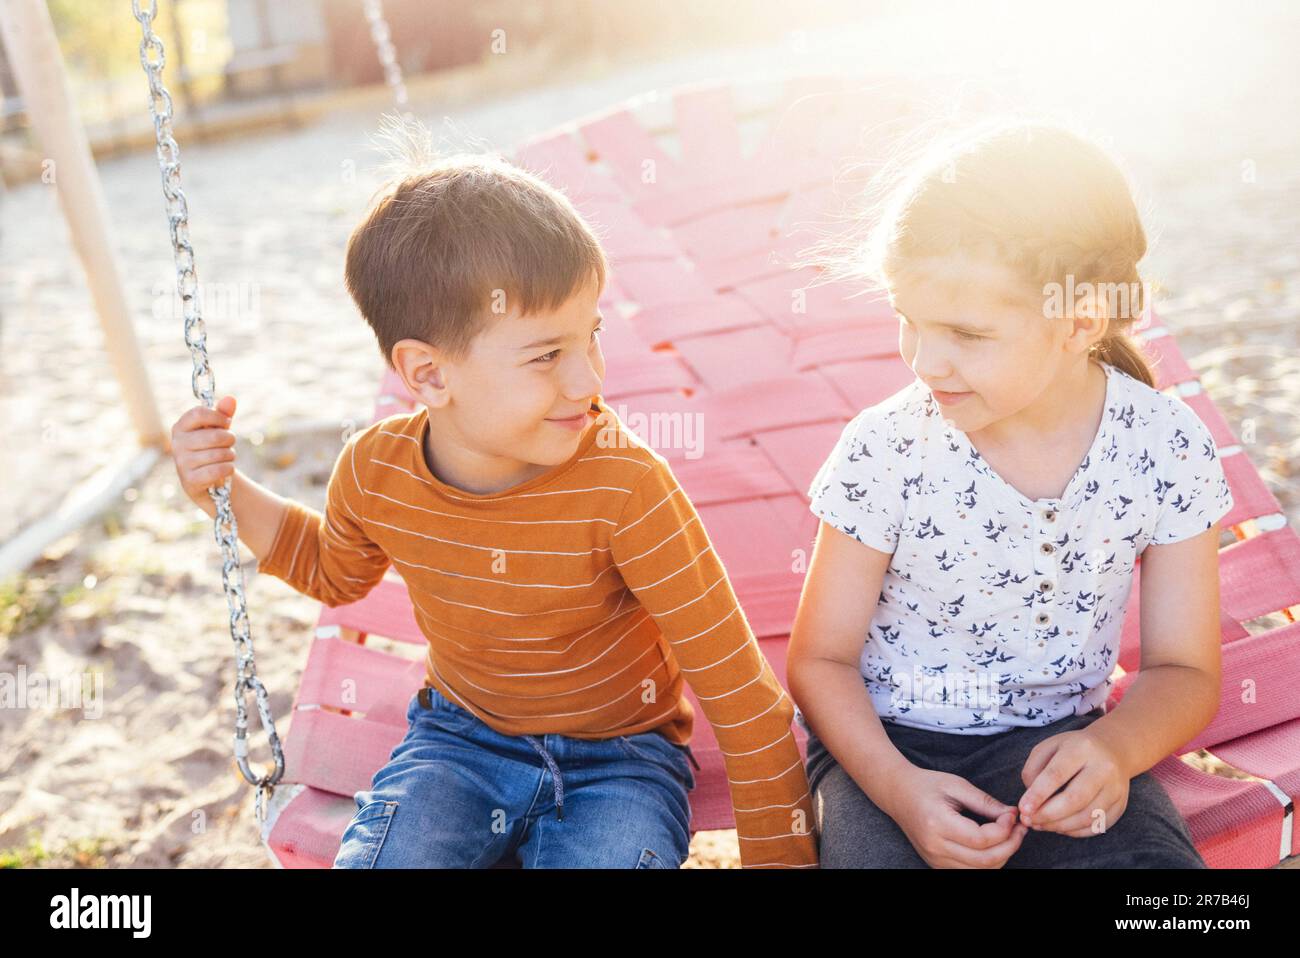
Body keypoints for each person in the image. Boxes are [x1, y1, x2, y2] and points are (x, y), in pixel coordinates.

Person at [169, 133, 816, 869]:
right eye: (547, 356)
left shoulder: (625, 486)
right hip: (458, 744)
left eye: (590, 337)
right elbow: (331, 571)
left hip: (620, 763)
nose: (588, 381)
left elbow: (744, 698)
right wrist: (223, 491)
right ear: (429, 375)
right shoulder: (377, 470)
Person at [787, 118, 1232, 868]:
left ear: (1080, 320)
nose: (926, 361)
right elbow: (819, 662)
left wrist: (1112, 752)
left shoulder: (1164, 446)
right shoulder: (888, 448)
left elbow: (1185, 671)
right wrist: (900, 791)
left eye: (966, 333)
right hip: (886, 753)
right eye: (909, 322)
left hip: (1061, 748)